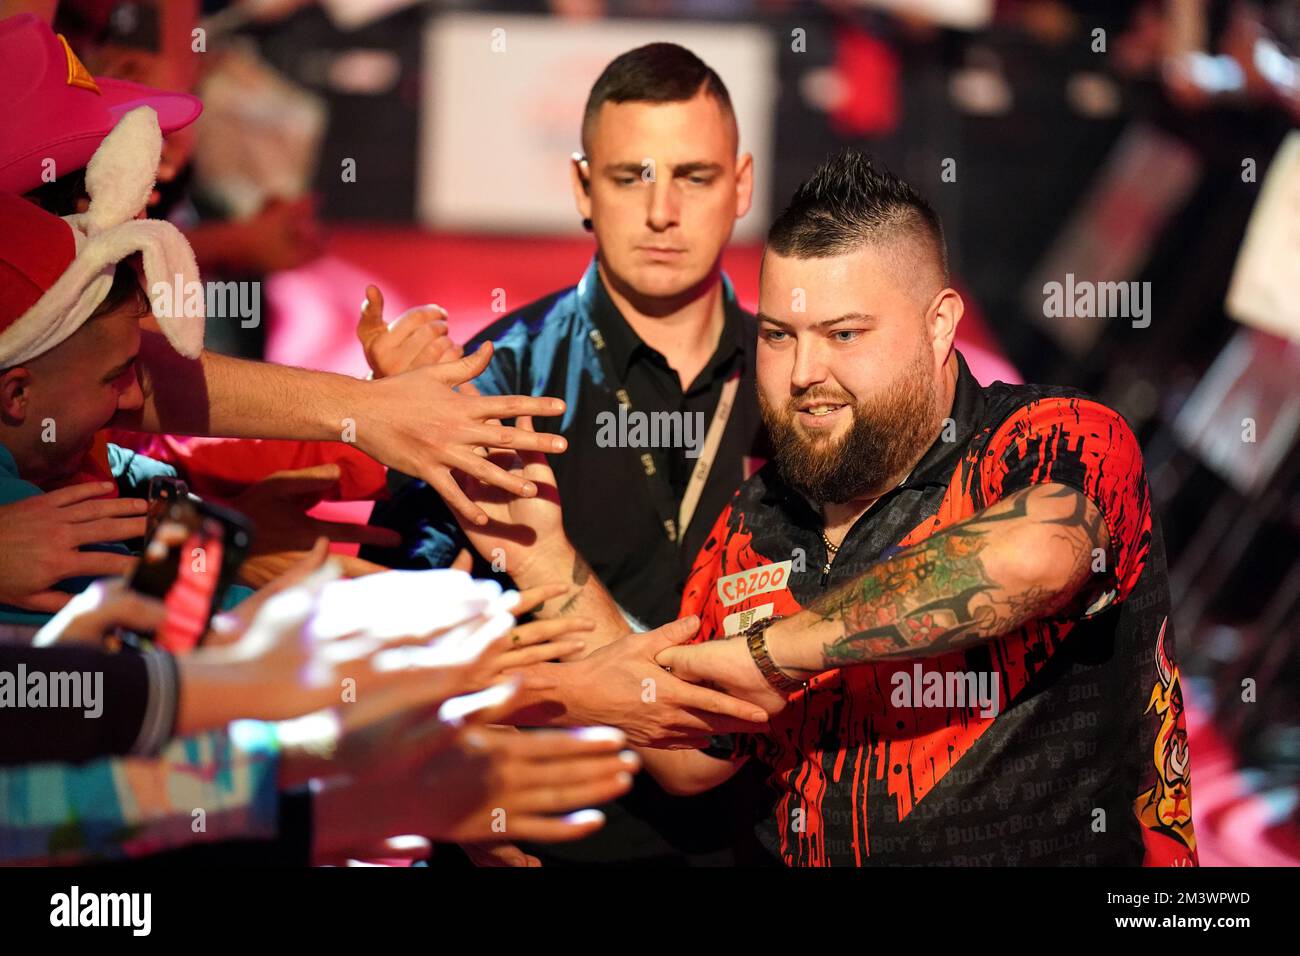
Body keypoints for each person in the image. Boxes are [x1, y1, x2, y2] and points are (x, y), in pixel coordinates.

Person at [466, 148, 1199, 867]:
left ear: (940, 324)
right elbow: (689, 761)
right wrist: (538, 548)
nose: (805, 373)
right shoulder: (753, 523)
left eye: (845, 334)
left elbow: (1033, 557)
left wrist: (773, 655)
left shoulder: (1056, 437)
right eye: (779, 337)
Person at [366, 42, 776, 866]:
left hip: (753, 843)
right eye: (631, 177)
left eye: (694, 177)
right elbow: (386, 635)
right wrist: (456, 804)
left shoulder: (799, 381)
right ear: (583, 187)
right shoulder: (492, 379)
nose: (663, 210)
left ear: (741, 185)